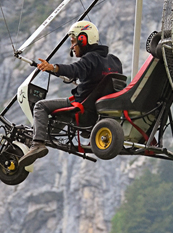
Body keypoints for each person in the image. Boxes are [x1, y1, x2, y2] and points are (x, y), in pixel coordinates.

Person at [18, 20, 123, 168]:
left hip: (83, 108)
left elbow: (75, 69)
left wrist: (53, 67)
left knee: (41, 106)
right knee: (61, 113)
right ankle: (43, 135)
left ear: (83, 39)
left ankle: (38, 144)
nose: (72, 47)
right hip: (101, 112)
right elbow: (98, 80)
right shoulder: (114, 61)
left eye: (73, 41)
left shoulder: (90, 58)